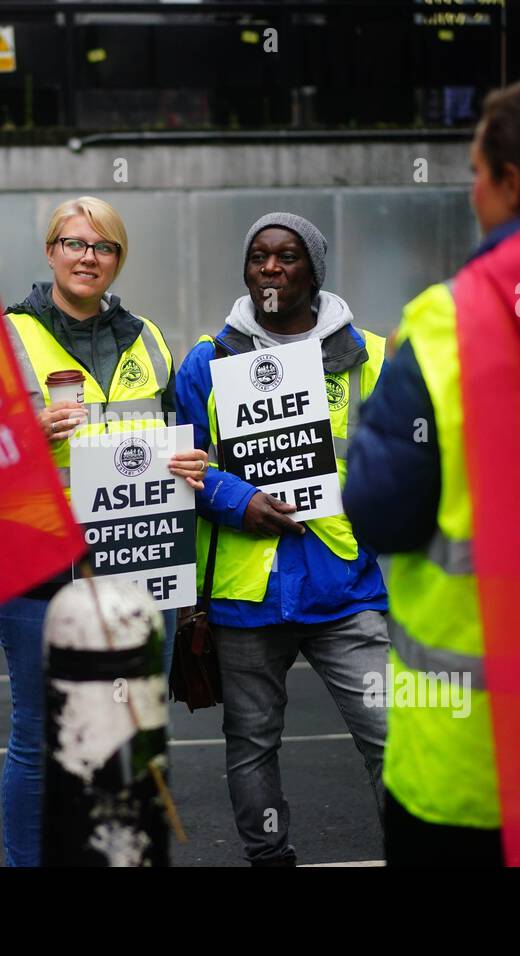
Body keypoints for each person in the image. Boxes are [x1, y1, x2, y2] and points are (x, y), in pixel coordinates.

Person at [344, 76, 520, 867]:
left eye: (475, 172)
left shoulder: (445, 323)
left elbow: (379, 511)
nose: (470, 193)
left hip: (473, 770)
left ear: (512, 182)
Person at [173, 212, 390, 867]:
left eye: (288, 256)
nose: (271, 267)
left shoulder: (373, 356)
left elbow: (408, 460)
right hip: (247, 591)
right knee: (252, 742)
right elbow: (181, 466)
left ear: (314, 269)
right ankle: (269, 859)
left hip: (346, 583)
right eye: (259, 256)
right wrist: (239, 501)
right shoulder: (207, 362)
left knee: (392, 735)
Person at [0, 196, 208, 866]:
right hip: (39, 567)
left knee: (136, 731)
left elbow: (172, 436)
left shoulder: (148, 338)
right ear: (51, 250)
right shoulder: (5, 335)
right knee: (39, 736)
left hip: (141, 565)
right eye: (75, 243)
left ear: (118, 259)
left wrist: (192, 460)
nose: (88, 257)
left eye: (104, 247)